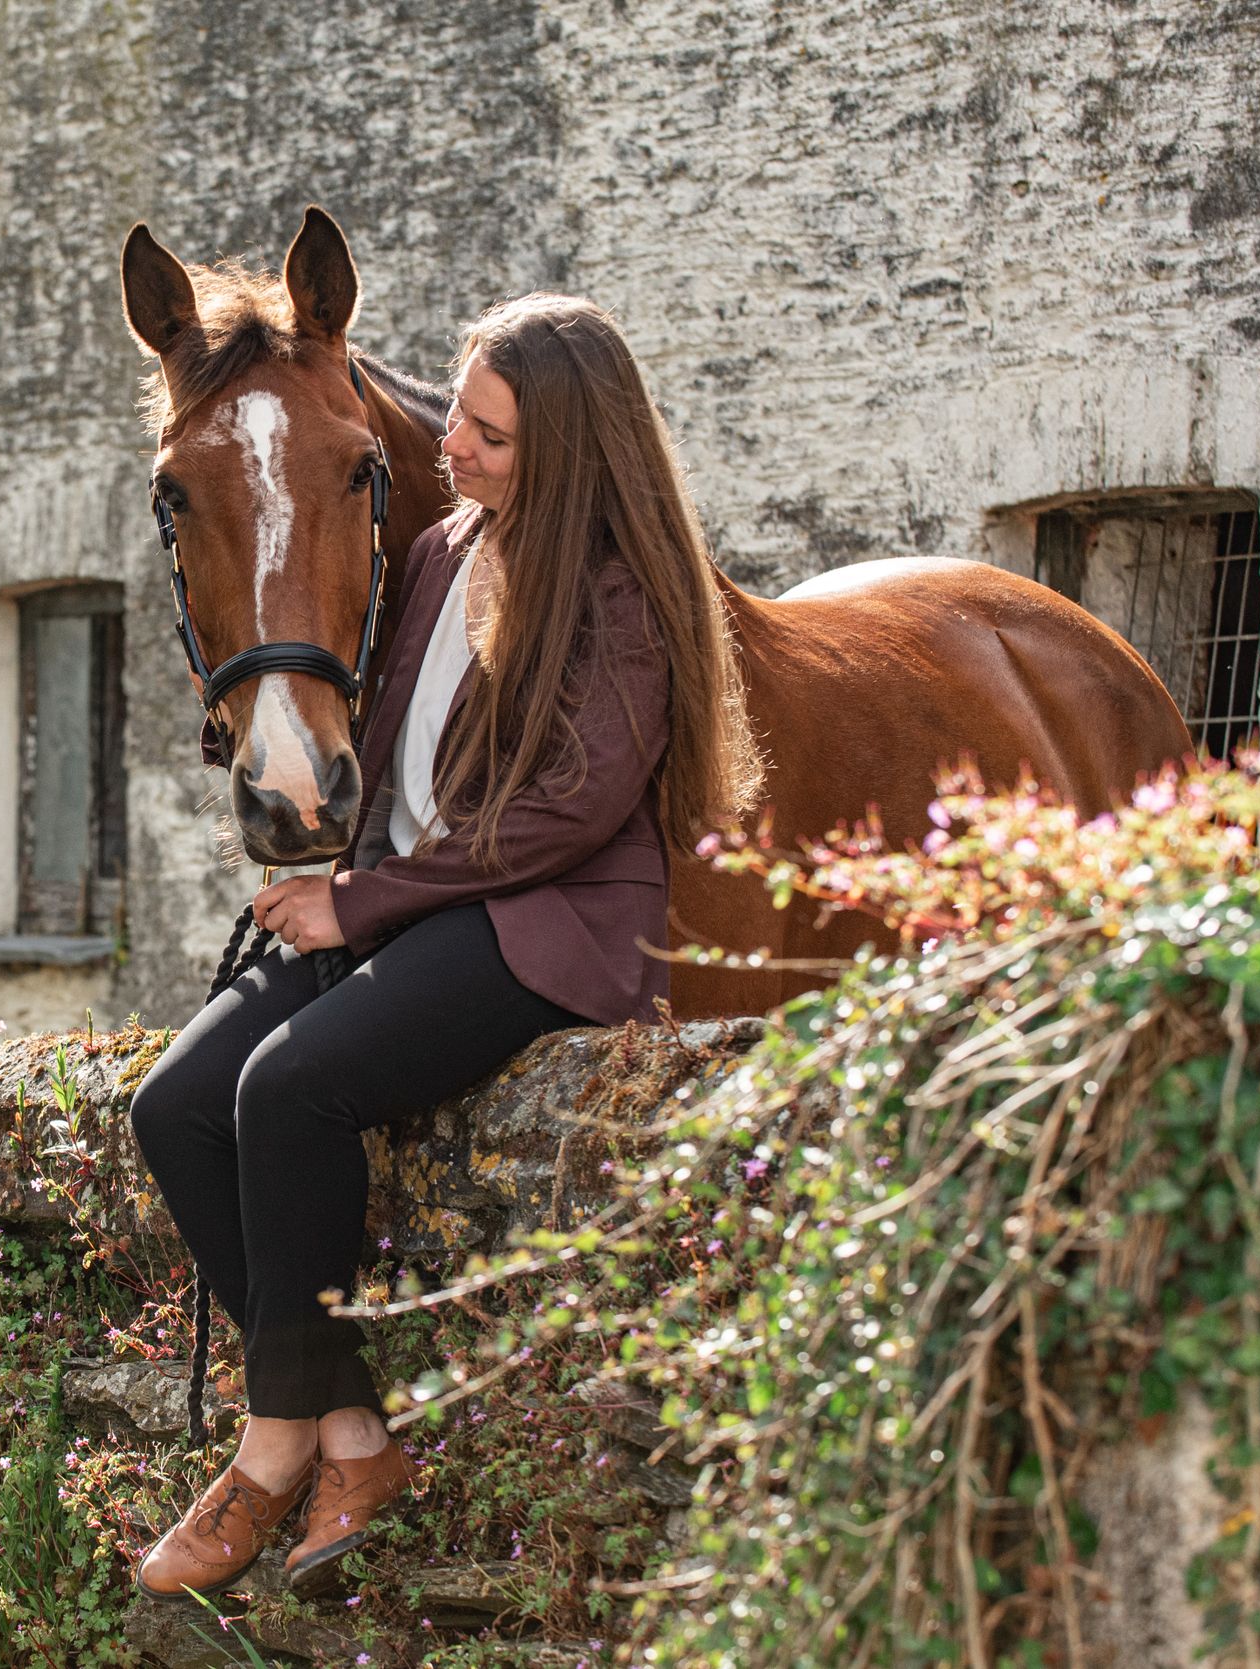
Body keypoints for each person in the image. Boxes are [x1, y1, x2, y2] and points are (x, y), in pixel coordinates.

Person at [125, 294, 765, 1600]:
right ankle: (354, 1432)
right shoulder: (441, 547)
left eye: (487, 433)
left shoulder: (619, 590)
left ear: (573, 450)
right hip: (411, 899)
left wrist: (356, 909)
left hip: (539, 926)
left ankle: (266, 1451)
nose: (450, 445)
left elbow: (567, 815)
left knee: (290, 1087)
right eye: (460, 419)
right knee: (177, 1102)